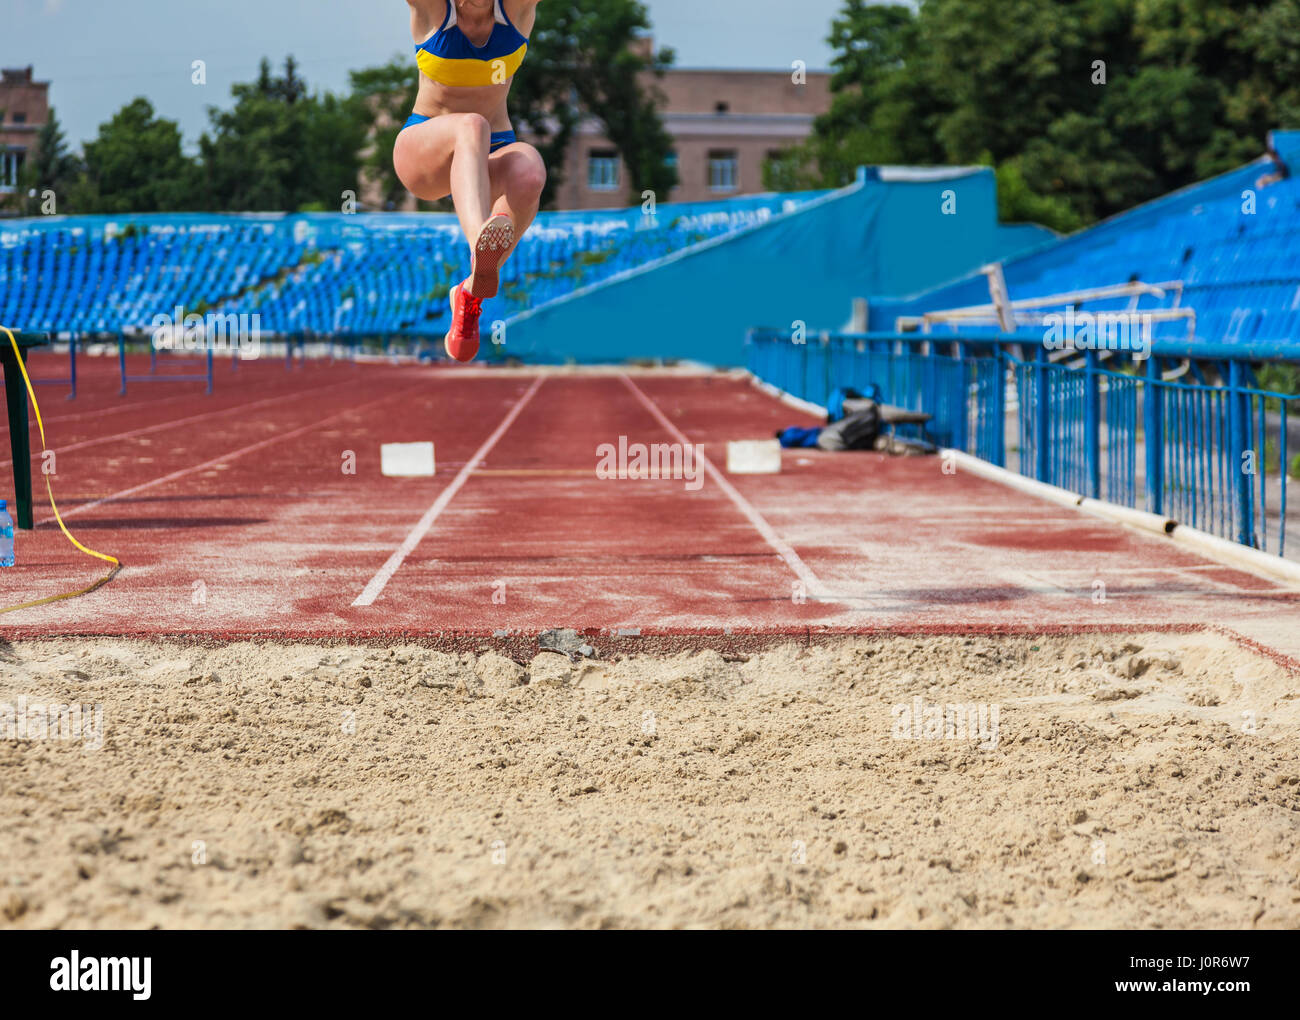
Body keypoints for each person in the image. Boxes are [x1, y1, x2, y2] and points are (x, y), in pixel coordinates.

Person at [393, 0, 548, 362]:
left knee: (530, 169)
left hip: (493, 151)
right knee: (471, 123)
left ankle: (468, 293)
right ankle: (480, 238)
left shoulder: (516, 9)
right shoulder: (434, 9)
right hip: (425, 149)